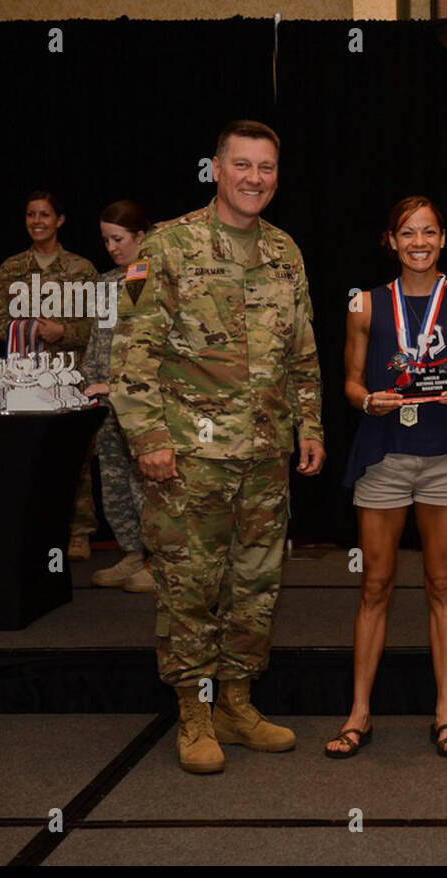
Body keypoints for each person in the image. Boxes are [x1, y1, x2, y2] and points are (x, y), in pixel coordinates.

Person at [110, 119, 324, 775]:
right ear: (215, 169)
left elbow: (302, 349)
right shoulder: (168, 247)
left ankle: (236, 699)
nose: (254, 178)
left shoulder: (285, 251)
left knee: (255, 587)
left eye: (266, 168)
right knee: (190, 587)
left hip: (263, 456)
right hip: (188, 461)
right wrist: (148, 439)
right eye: (242, 165)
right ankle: (195, 712)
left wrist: (309, 425)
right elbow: (132, 357)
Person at [328, 196, 447, 759]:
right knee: (375, 585)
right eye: (407, 233)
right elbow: (348, 381)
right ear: (390, 241)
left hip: (444, 456)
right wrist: (368, 400)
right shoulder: (364, 304)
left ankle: (445, 714)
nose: (418, 242)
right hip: (384, 455)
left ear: (443, 238)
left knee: (443, 584)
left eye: (429, 232)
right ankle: (359, 713)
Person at [0, 190, 100, 560]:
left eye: (44, 215)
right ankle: (31, 530)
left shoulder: (81, 269)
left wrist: (63, 331)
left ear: (59, 220)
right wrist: (27, 329)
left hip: (70, 378)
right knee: (28, 455)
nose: (37, 221)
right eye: (31, 214)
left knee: (75, 457)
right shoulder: (12, 268)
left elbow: (101, 326)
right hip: (24, 379)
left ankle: (79, 533)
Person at [82, 200, 153, 593]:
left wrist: (120, 383)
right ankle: (132, 553)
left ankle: (159, 561)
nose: (111, 247)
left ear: (141, 236)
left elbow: (157, 346)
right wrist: (89, 382)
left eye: (119, 238)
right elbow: (98, 340)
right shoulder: (108, 282)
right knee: (114, 479)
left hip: (142, 402)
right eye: (106, 239)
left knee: (148, 481)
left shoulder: (156, 282)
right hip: (105, 402)